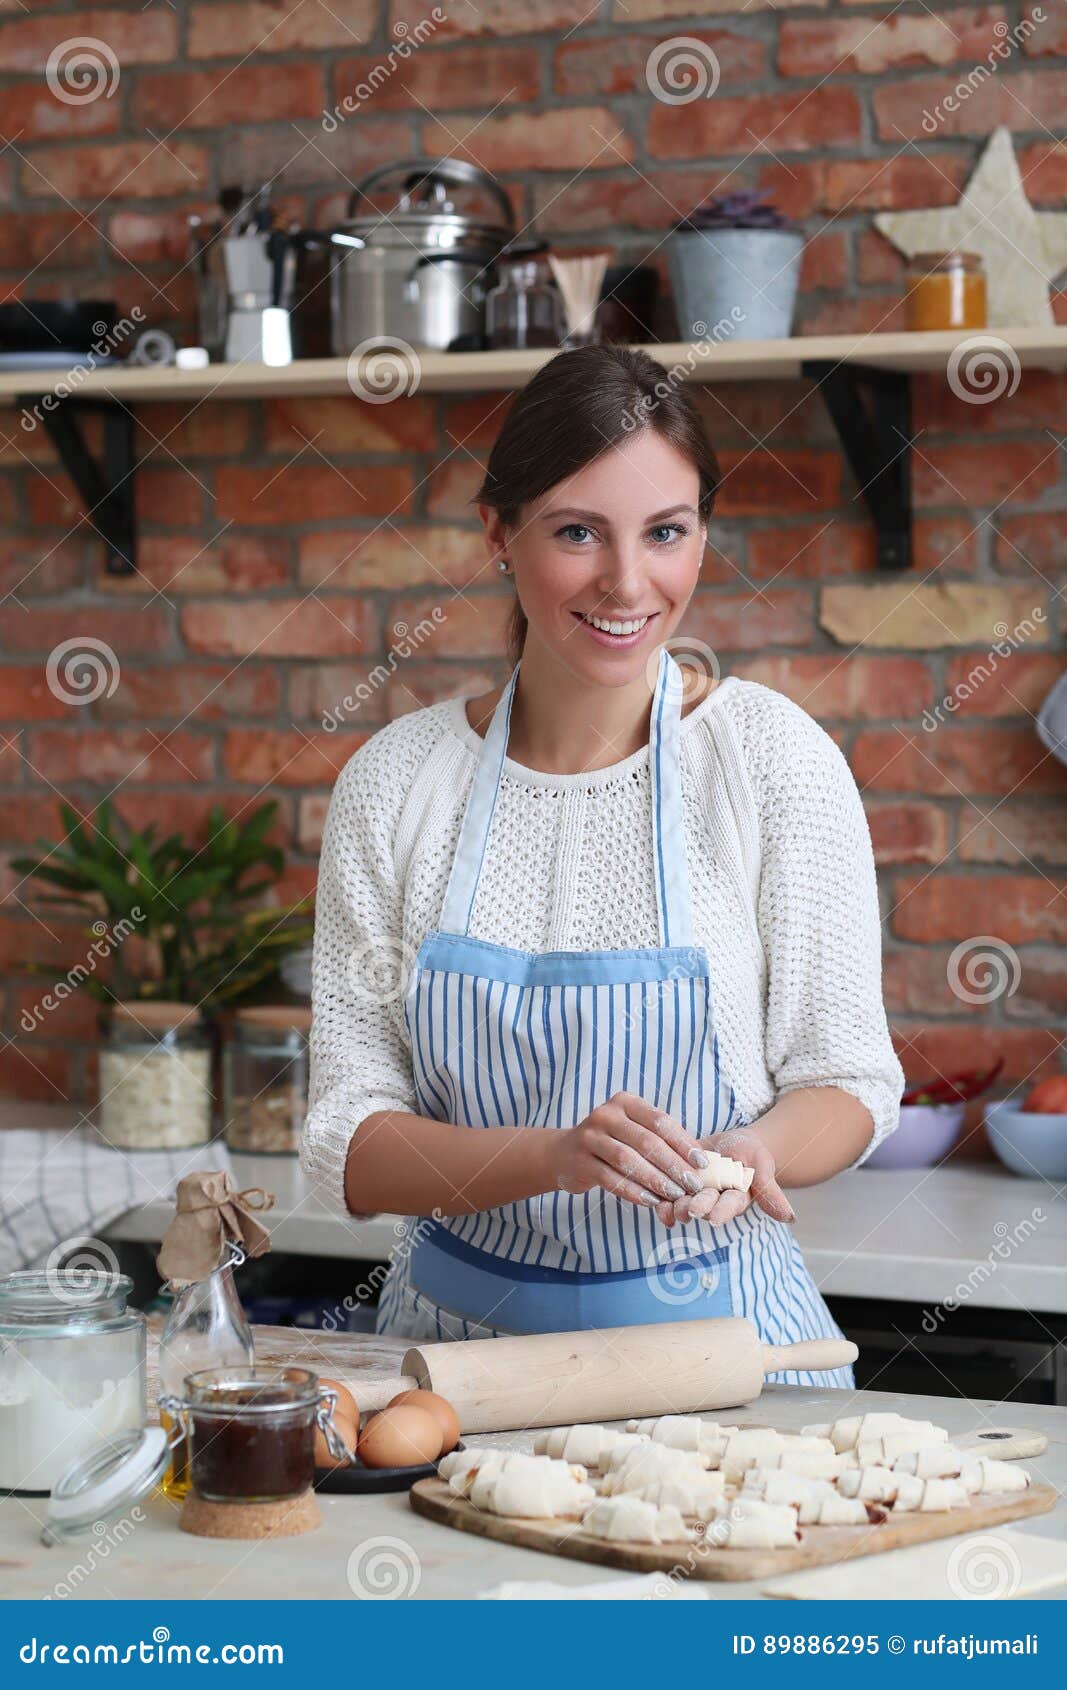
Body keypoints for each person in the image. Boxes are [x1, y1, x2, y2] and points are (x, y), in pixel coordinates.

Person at [301, 345, 904, 1386]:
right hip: (452, 1372)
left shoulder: (768, 760)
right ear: (497, 533)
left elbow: (845, 1078)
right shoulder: (394, 782)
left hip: (729, 1362)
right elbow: (347, 1141)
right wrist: (552, 1158)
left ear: (701, 535)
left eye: (665, 533)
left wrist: (757, 1148)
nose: (627, 584)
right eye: (576, 532)